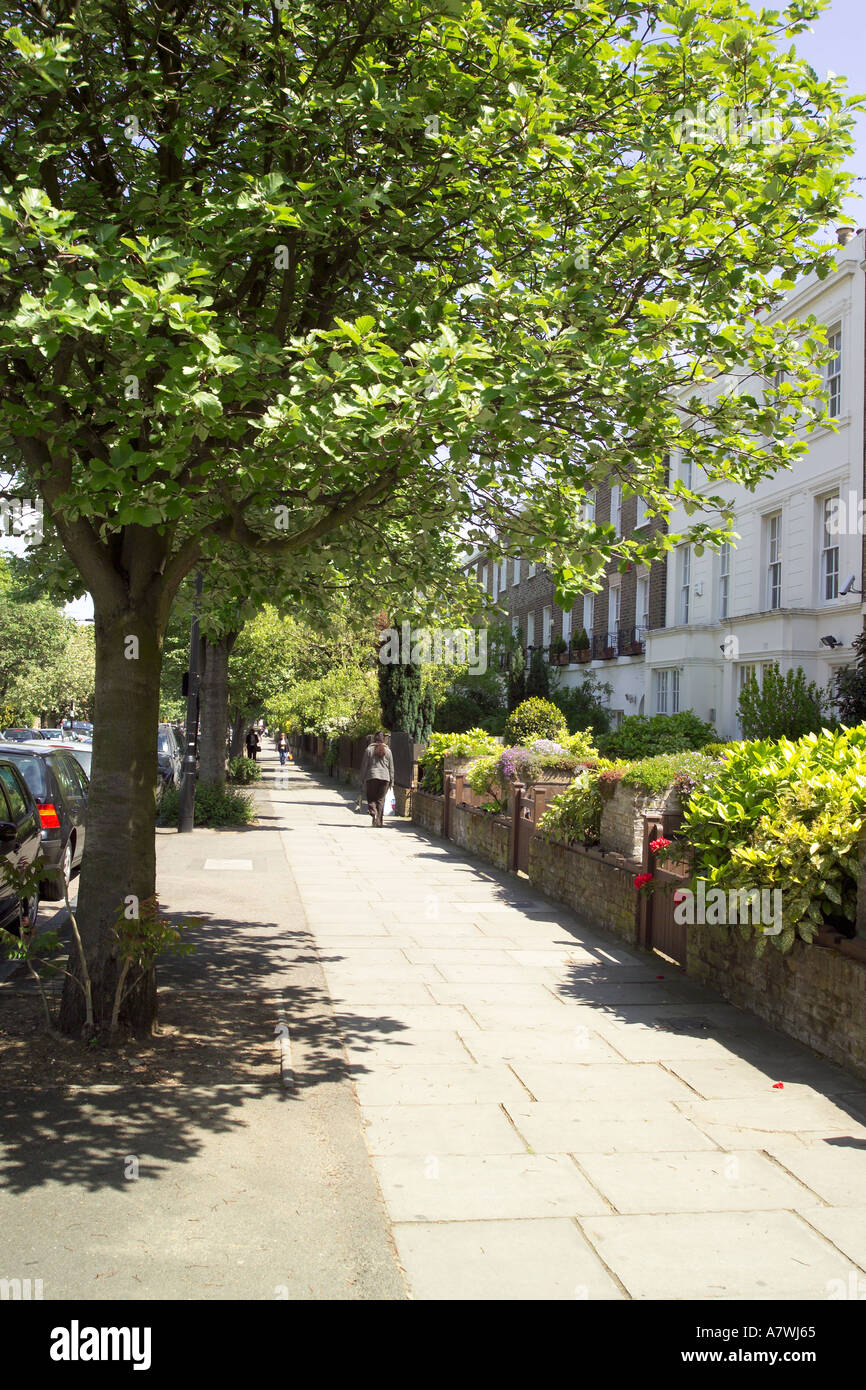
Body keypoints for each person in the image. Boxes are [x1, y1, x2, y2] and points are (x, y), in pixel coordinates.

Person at [358, 731, 394, 827]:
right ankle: (378, 822)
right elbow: (391, 767)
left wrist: (361, 779)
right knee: (381, 800)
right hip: (385, 778)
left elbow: (364, 765)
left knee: (371, 798)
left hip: (372, 777)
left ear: (374, 738)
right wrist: (392, 781)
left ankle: (373, 812)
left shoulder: (369, 750)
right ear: (383, 739)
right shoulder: (388, 751)